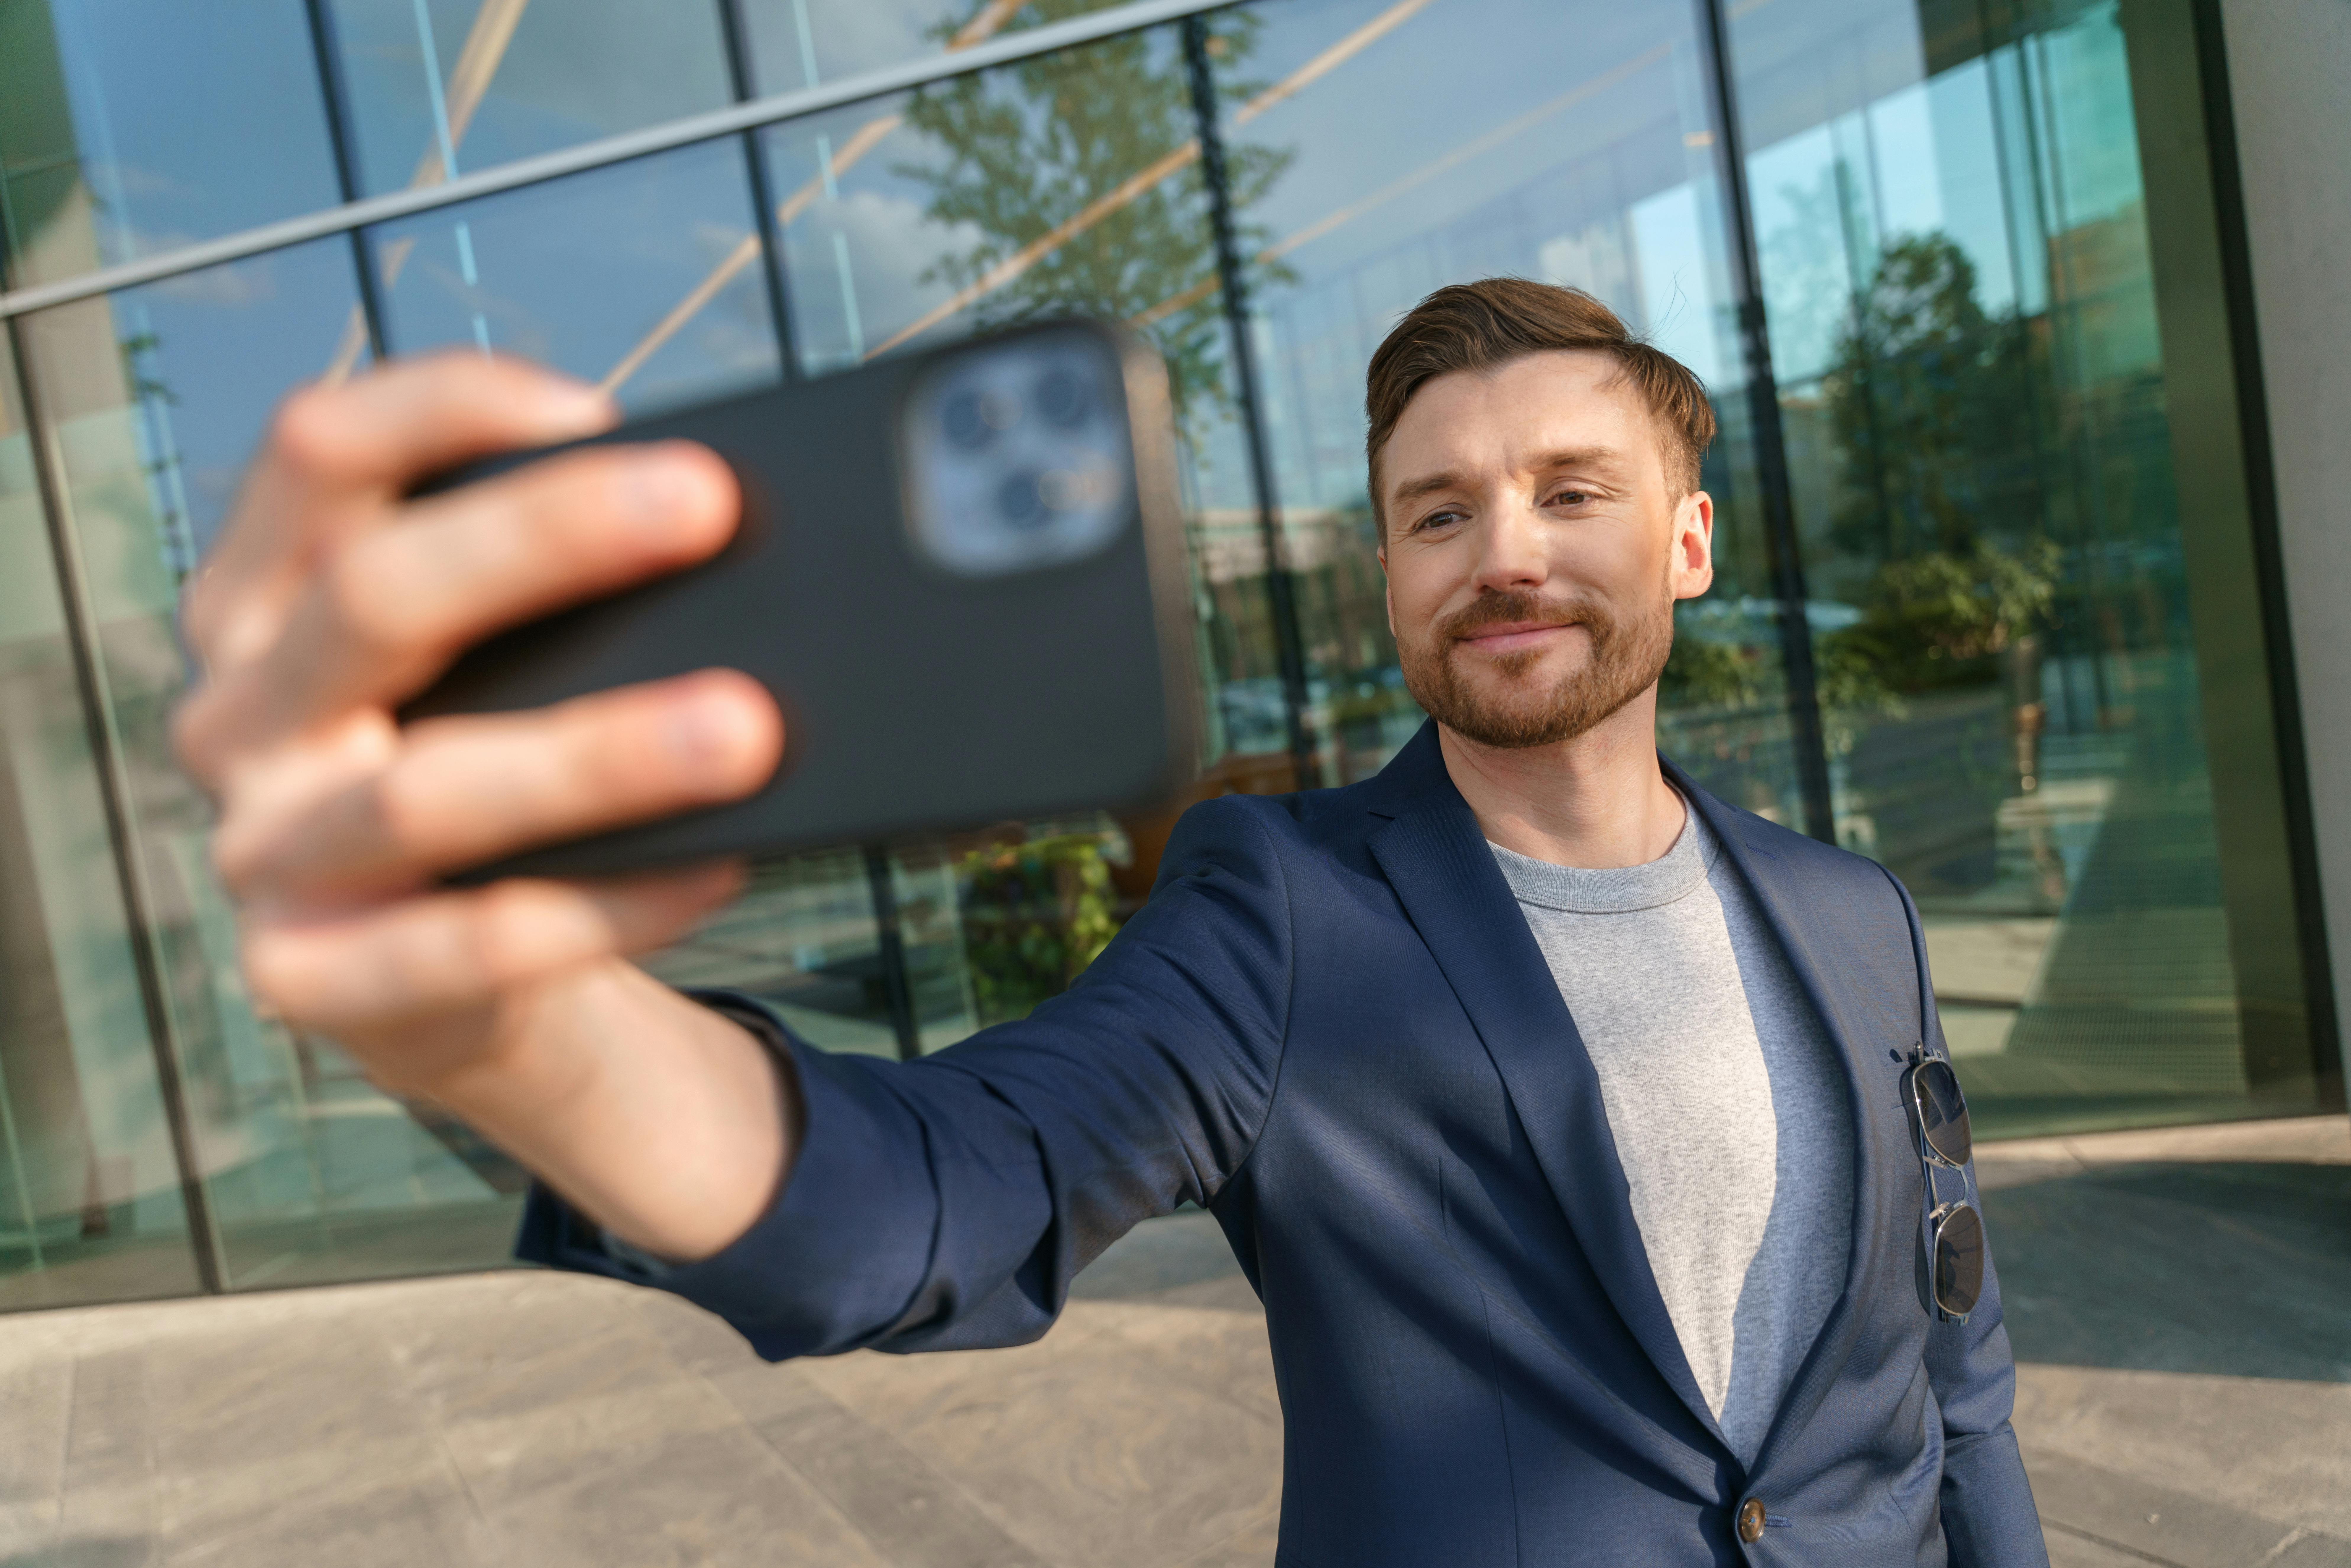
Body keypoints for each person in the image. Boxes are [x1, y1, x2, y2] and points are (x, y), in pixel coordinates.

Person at [177, 278, 2047, 1565]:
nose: (1506, 553)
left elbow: (1954, 1363)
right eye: (1437, 515)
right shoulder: (1286, 912)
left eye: (1573, 492)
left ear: (1689, 542)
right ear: (1387, 571)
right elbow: (943, 1191)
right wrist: (524, 1032)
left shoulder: (1854, 917)